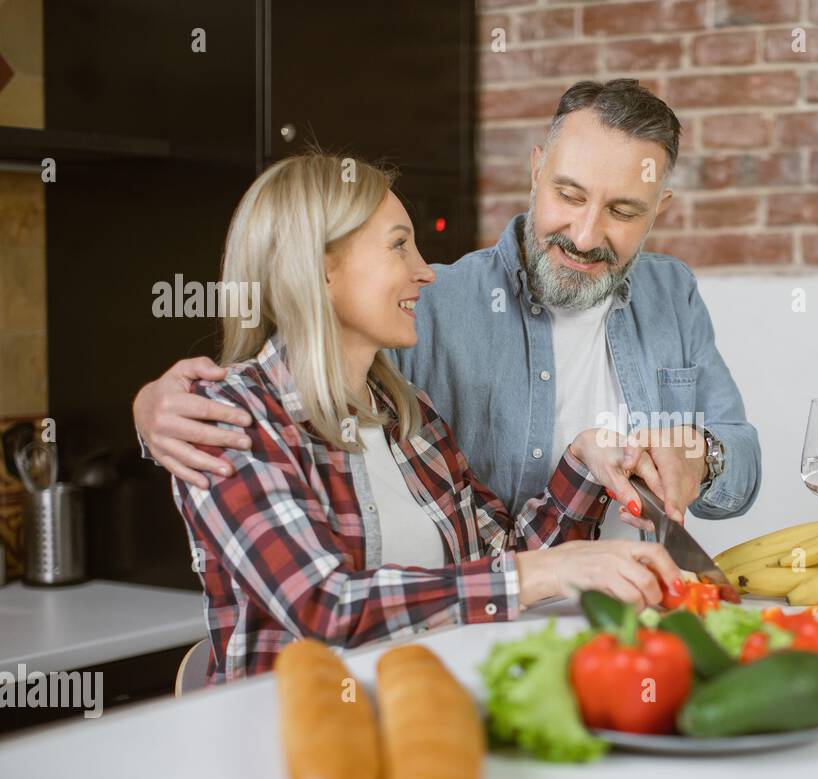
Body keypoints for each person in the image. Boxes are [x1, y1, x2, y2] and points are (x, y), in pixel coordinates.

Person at [134, 78, 761, 541]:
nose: (586, 233)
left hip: (631, 625)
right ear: (536, 171)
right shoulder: (432, 303)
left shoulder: (671, 292)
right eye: (569, 196)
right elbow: (293, 380)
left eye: (623, 211)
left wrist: (703, 457)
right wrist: (149, 412)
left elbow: (741, 464)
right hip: (496, 628)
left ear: (659, 211)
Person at [175, 152, 682, 682]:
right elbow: (323, 609)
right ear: (321, 267)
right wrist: (543, 571)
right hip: (291, 726)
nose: (424, 272)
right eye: (399, 245)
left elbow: (497, 561)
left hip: (427, 708)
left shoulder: (409, 414)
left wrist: (583, 459)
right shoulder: (228, 418)